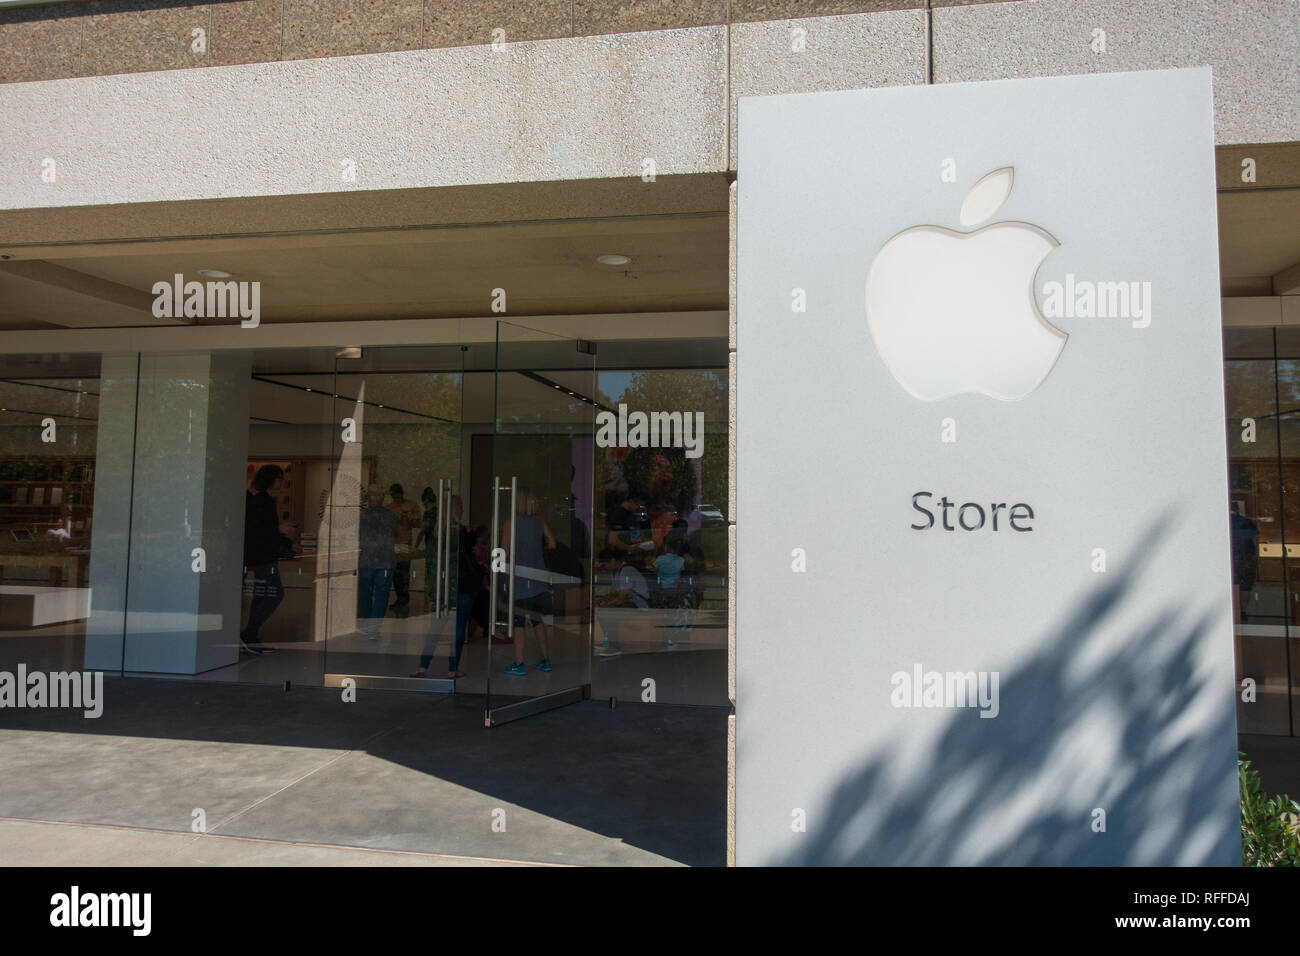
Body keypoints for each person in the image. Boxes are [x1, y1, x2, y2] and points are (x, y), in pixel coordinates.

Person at [412, 500, 488, 679]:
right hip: (463, 584)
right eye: (461, 508)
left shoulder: (437, 532)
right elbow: (474, 552)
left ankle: (423, 666)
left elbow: (433, 558)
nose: (462, 511)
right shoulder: (464, 531)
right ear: (457, 511)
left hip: (444, 584)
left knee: (436, 626)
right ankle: (453, 669)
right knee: (459, 626)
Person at [241, 464, 299, 655]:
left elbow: (266, 528)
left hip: (261, 556)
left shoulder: (262, 500)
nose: (282, 482)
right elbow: (258, 529)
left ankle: (251, 635)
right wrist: (280, 531)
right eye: (279, 478)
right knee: (274, 594)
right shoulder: (262, 501)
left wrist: (288, 543)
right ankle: (249, 634)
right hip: (263, 557)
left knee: (262, 595)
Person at [501, 488, 557, 676]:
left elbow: (505, 552)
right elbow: (553, 544)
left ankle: (519, 662)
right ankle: (545, 659)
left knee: (518, 622)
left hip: (520, 579)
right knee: (537, 620)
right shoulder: (539, 521)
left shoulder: (510, 524)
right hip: (538, 579)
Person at [357, 484, 399, 640]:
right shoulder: (392, 516)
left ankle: (363, 627)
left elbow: (356, 536)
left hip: (365, 560)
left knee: (364, 595)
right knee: (381, 596)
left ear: (368, 498)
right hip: (385, 561)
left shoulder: (361, 516)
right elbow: (396, 534)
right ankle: (373, 631)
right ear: (382, 498)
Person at [386, 483, 422, 617]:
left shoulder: (411, 505)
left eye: (398, 495)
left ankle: (404, 599)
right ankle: (399, 598)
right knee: (395, 573)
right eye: (394, 496)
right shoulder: (389, 508)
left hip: (405, 543)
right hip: (393, 544)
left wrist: (409, 518)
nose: (397, 498)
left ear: (402, 493)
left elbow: (419, 523)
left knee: (404, 572)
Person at [415, 486, 438, 610]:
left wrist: (416, 546)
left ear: (425, 501)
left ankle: (431, 599)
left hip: (431, 547)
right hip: (439, 547)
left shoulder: (428, 513)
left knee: (430, 574)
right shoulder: (439, 511)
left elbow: (422, 531)